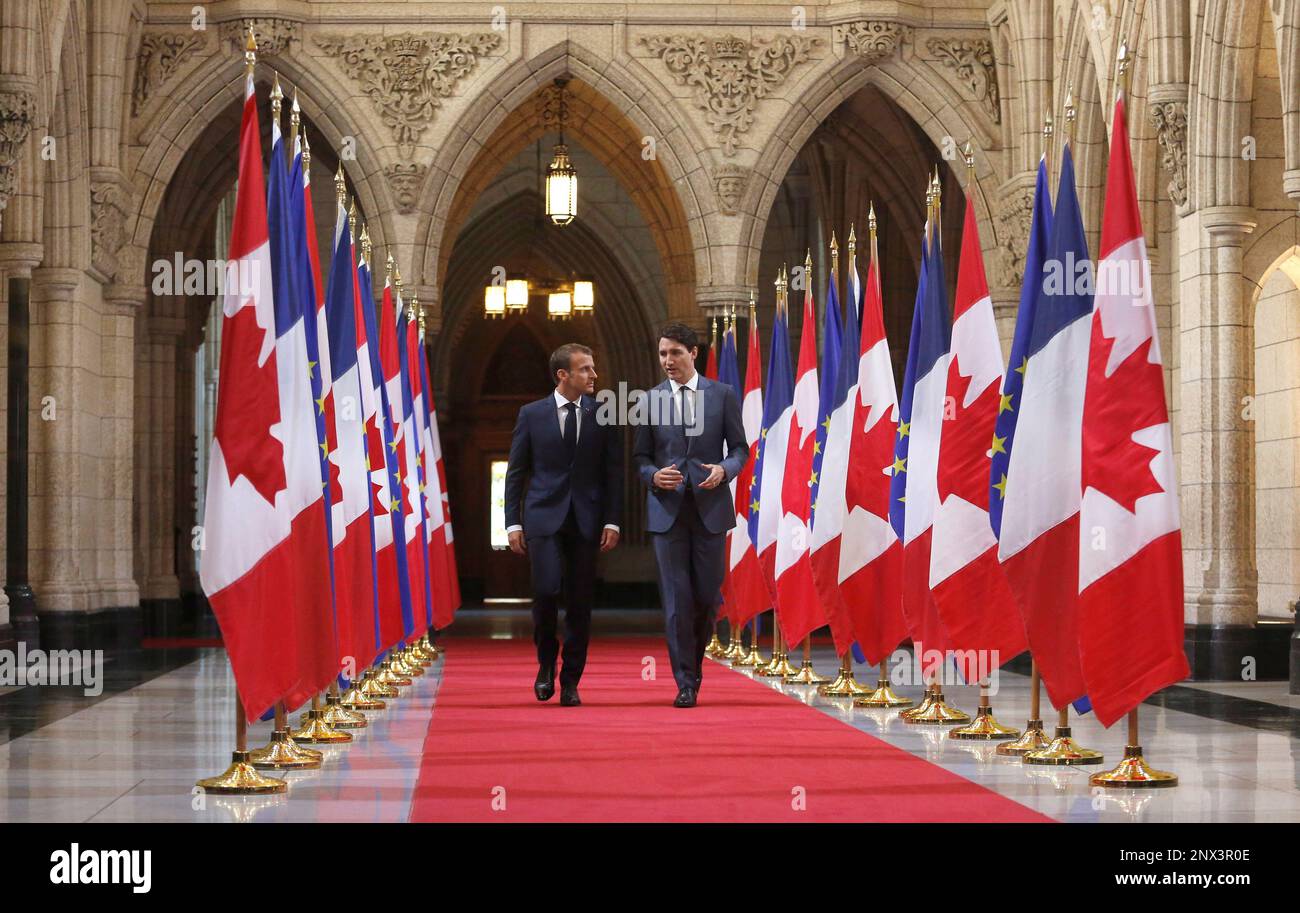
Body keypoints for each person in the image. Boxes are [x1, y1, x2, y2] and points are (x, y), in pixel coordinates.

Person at [633, 323, 748, 707]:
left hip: (710, 510)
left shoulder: (723, 395)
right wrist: (653, 476)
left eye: (675, 353)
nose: (668, 360)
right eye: (663, 353)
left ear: (693, 354)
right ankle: (685, 682)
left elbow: (740, 449)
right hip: (667, 513)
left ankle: (693, 668)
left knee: (704, 599)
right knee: (677, 599)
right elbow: (640, 458)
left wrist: (724, 470)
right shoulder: (649, 399)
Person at [504, 343, 622, 706]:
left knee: (580, 602)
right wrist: (512, 524)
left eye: (593, 367)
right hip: (542, 518)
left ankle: (571, 680)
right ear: (563, 375)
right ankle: (544, 666)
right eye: (585, 369)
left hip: (586, 520)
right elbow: (517, 472)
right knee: (546, 590)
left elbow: (612, 474)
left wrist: (613, 521)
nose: (594, 375)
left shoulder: (604, 413)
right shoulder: (531, 414)